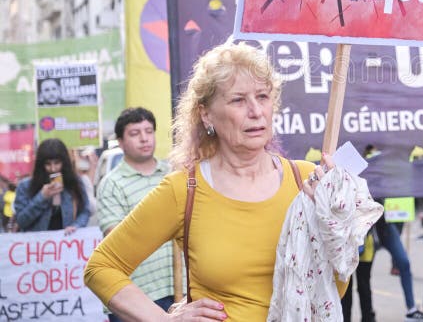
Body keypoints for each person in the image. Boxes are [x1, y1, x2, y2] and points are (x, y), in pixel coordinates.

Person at [84, 43, 344, 320]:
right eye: (238, 100)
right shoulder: (183, 189)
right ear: (206, 114)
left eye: (263, 96)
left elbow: (333, 290)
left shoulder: (306, 180)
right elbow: (101, 267)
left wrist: (333, 223)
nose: (256, 111)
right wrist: (163, 319)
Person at [96, 107, 175, 319]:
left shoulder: (173, 174)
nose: (144, 138)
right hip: (138, 296)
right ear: (120, 142)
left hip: (181, 290)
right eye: (135, 133)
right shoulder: (111, 184)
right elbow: (116, 238)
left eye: (149, 131)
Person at [14, 138, 91, 233]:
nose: (53, 168)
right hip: (37, 244)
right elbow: (21, 221)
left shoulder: (74, 183)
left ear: (64, 162)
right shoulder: (25, 186)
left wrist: (76, 226)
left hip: (66, 243)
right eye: (48, 164)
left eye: (57, 163)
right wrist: (42, 197)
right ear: (41, 165)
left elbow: (85, 211)